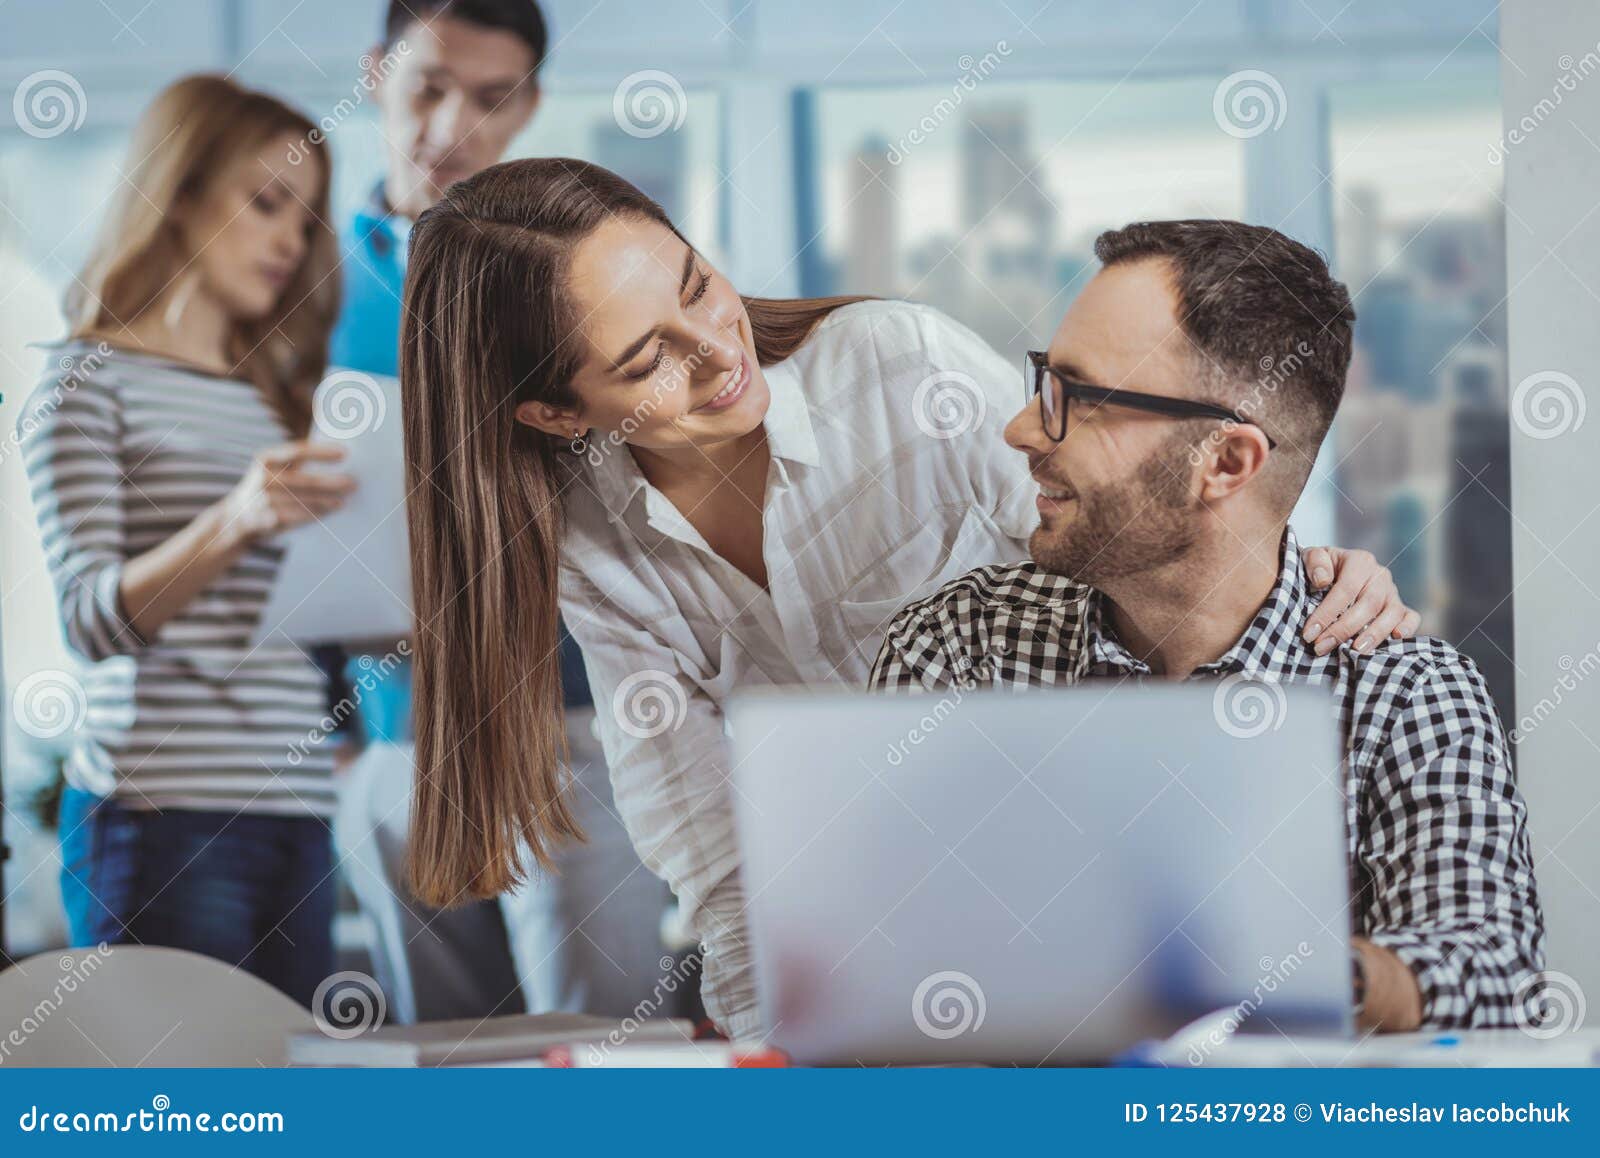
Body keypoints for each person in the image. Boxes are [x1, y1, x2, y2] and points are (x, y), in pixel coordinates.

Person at [397, 158, 1421, 1040]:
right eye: (646, 359)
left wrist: (1293, 569)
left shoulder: (894, 369)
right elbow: (716, 859)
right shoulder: (588, 544)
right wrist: (786, 1070)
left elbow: (1133, 517)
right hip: (860, 953)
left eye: (698, 287)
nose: (717, 349)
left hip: (1079, 880)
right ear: (554, 410)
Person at [870, 219, 1545, 1031]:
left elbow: (1494, 977)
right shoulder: (961, 648)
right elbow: (877, 972)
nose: (1021, 430)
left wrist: (1278, 968)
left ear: (1226, 463)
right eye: (1046, 381)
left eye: (1076, 400)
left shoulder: (1403, 696)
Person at [328, 0, 673, 1021]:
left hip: (568, 723)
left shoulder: (577, 273)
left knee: (599, 1050)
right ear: (375, 75)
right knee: (439, 1065)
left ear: (530, 107)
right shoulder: (303, 288)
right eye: (426, 87)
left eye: (490, 99)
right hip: (393, 734)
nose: (451, 129)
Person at [18, 75, 350, 1007]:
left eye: (306, 218)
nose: (291, 240)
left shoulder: (278, 402)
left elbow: (300, 613)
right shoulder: (84, 380)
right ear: (181, 192)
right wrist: (234, 519)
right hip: (163, 815)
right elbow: (91, 620)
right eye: (267, 203)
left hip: (300, 810)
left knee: (287, 1112)